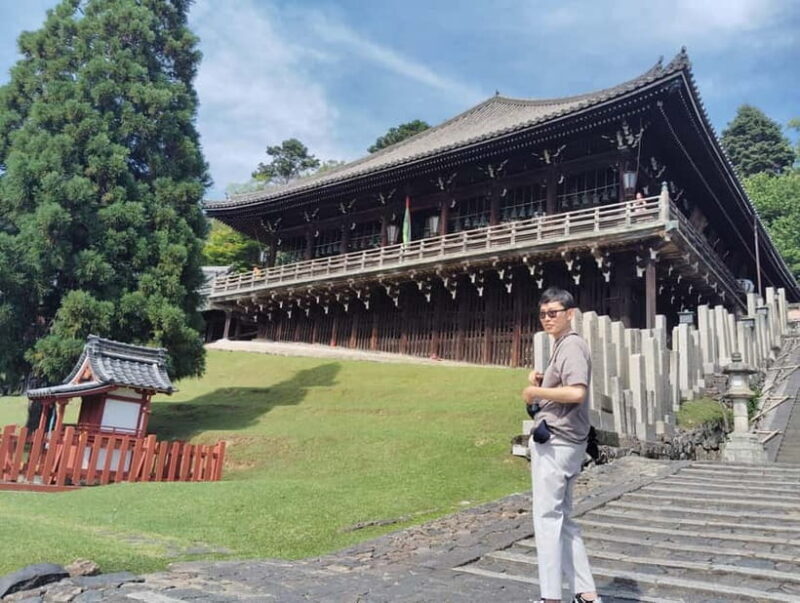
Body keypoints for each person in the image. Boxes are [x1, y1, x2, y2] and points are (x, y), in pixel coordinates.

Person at [522, 287, 601, 603]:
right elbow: (565, 391)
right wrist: (541, 385)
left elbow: (576, 393)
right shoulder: (564, 346)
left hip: (557, 443)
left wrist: (535, 395)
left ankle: (551, 597)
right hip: (567, 442)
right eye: (543, 314)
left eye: (553, 312)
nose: (547, 319)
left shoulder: (571, 346)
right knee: (564, 520)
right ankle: (587, 593)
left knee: (547, 519)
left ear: (570, 313)